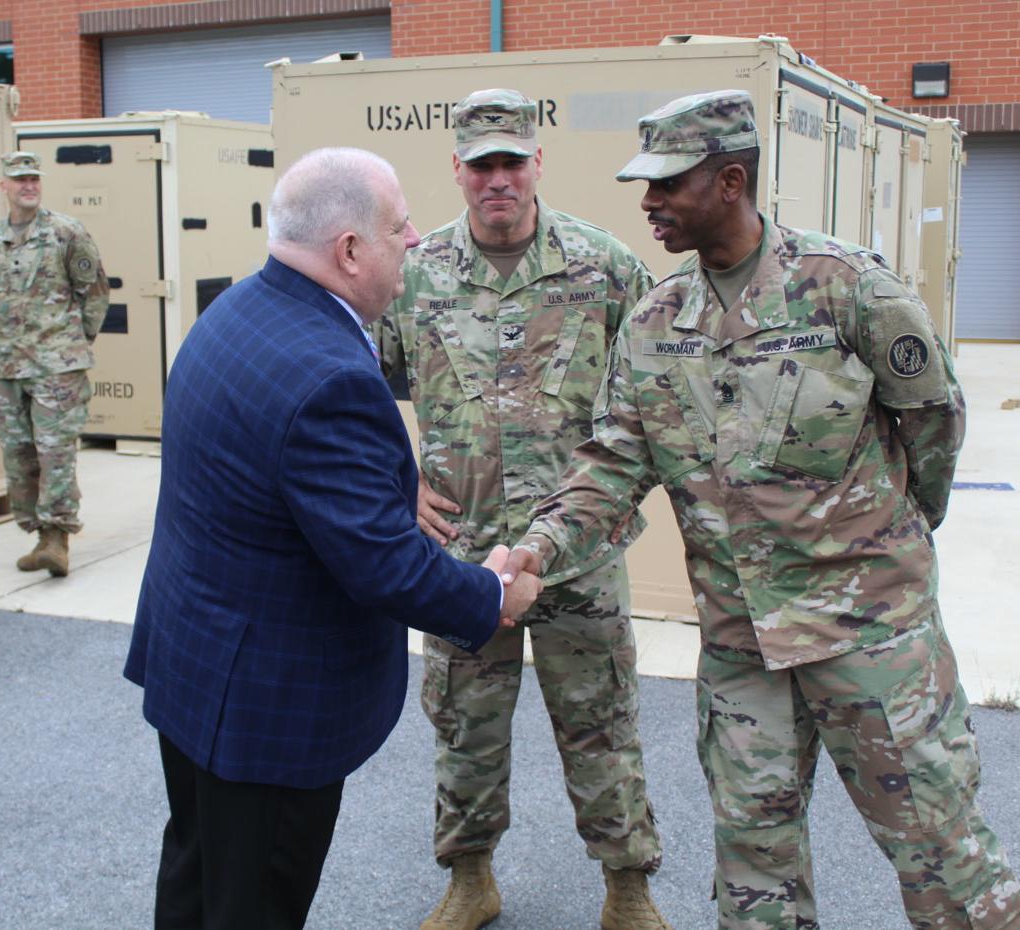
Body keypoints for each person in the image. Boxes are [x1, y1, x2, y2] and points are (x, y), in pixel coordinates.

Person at [505, 90, 1020, 930]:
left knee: (942, 856)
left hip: (870, 639)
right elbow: (611, 463)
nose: (648, 204)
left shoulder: (849, 289)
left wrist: (888, 544)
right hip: (741, 646)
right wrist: (538, 547)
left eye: (667, 185)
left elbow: (933, 424)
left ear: (730, 181)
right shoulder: (652, 322)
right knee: (756, 873)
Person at [123, 147, 543, 930]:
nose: (416, 238)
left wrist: (376, 487)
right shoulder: (330, 373)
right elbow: (386, 570)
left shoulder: (237, 311)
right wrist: (492, 592)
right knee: (255, 904)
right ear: (350, 250)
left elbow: (275, 481)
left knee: (196, 874)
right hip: (266, 713)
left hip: (196, 670)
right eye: (398, 225)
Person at [371, 88, 671, 930]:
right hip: (461, 554)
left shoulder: (604, 267)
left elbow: (652, 397)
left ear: (537, 163)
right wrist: (400, 481)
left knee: (602, 724)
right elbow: (359, 391)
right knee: (464, 728)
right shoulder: (416, 274)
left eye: (512, 161)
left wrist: (618, 502)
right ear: (457, 172)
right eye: (481, 164)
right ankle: (470, 879)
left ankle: (628, 888)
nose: (497, 178)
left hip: (578, 552)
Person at [0, 151, 109, 577]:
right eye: (19, 180)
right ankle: (36, 531)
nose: (28, 186)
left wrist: (74, 343)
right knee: (18, 454)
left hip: (57, 365)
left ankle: (57, 538)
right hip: (7, 367)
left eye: (34, 179)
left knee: (55, 453)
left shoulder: (65, 232)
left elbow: (94, 291)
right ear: (4, 187)